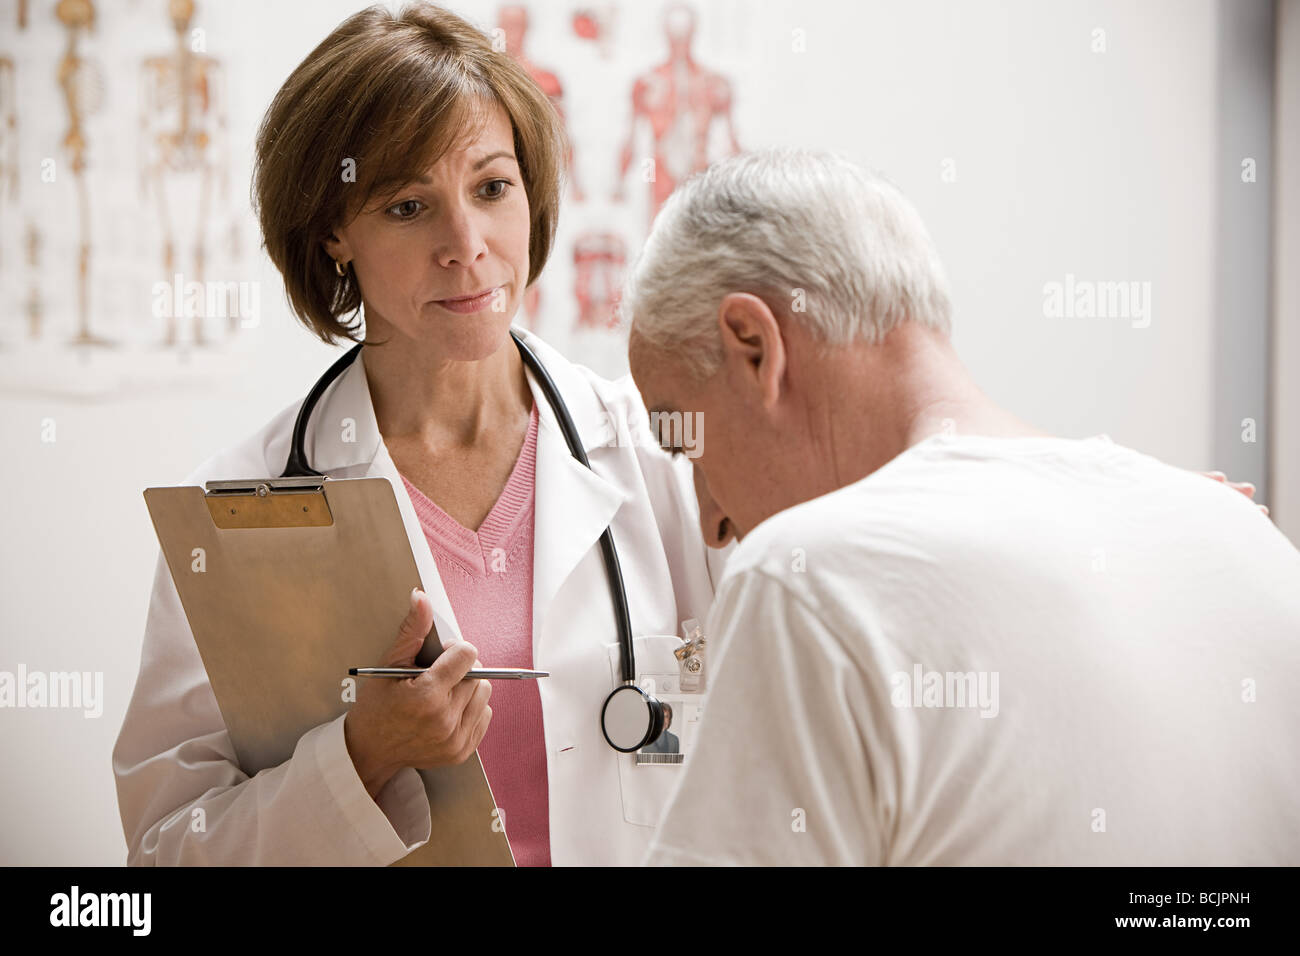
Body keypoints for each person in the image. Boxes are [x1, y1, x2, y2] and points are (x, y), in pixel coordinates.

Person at [112, 2, 728, 867]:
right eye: (407, 206)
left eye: (491, 187)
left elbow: (768, 762)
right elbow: (166, 851)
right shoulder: (237, 512)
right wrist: (360, 758)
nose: (467, 245)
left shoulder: (659, 453)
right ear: (334, 235)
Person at [623, 147, 1300, 865]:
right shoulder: (1245, 541)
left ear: (755, 346)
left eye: (681, 438)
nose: (711, 521)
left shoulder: (807, 583)